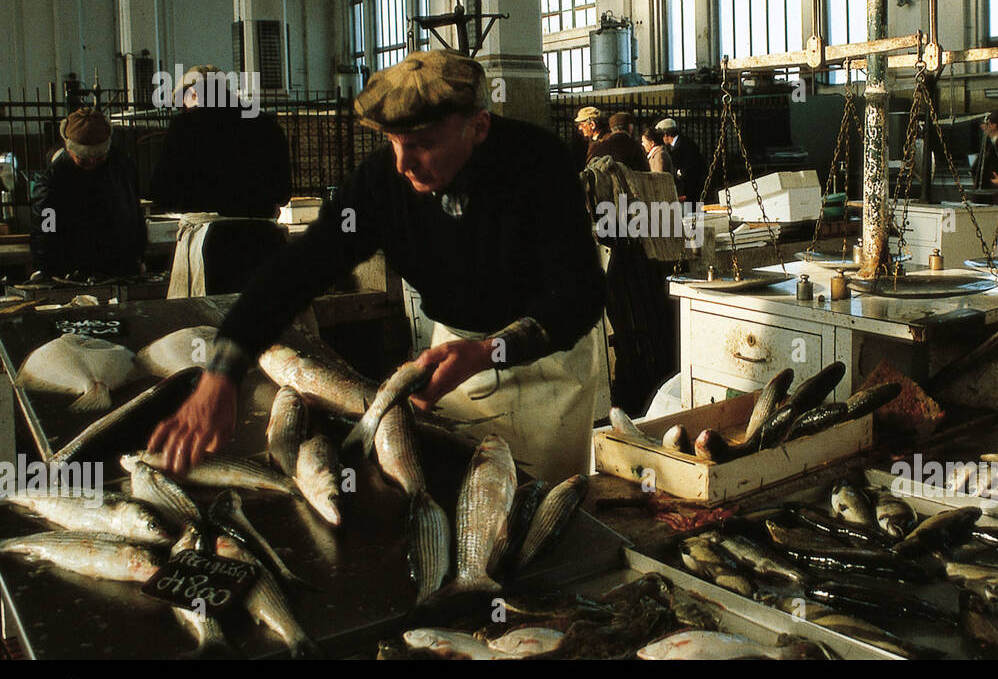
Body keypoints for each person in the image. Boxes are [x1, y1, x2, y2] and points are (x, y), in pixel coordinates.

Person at [149, 50, 607, 481]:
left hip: (547, 366)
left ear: (479, 126)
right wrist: (223, 370)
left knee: (534, 508)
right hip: (450, 356)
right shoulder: (380, 182)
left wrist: (490, 352)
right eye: (393, 143)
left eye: (424, 144)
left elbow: (580, 294)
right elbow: (298, 269)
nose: (404, 163)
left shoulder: (537, 163)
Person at [148, 65, 294, 295]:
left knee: (208, 325)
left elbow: (163, 190)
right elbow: (283, 192)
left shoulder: (185, 127)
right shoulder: (265, 123)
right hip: (264, 241)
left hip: (211, 246)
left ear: (193, 94)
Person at [29, 109, 146, 280]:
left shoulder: (121, 166)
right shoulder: (53, 182)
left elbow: (134, 212)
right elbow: (46, 228)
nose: (92, 162)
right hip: (74, 270)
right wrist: (45, 267)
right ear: (69, 150)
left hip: (121, 265)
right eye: (84, 158)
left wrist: (139, 255)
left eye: (99, 156)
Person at [655, 117, 706, 202]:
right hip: (687, 190)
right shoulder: (678, 144)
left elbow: (692, 168)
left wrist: (678, 174)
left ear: (666, 135)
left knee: (693, 214)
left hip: (691, 190)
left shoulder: (684, 145)